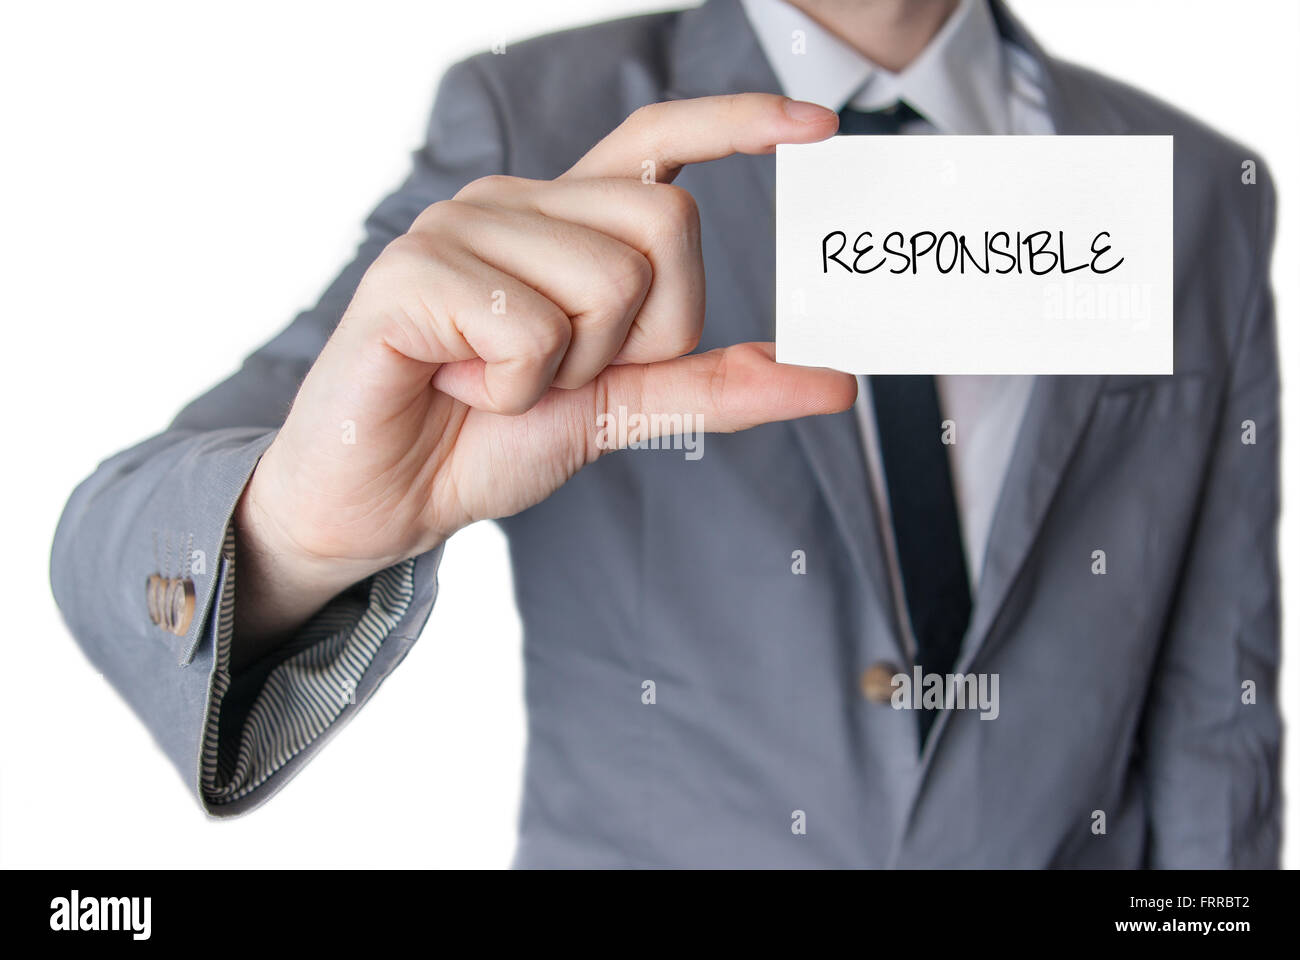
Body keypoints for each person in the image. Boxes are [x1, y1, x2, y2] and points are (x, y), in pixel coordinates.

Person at [50, 0, 1280, 867]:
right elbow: (120, 532)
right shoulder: (539, 120)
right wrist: (296, 532)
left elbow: (1214, 698)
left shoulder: (1192, 192)